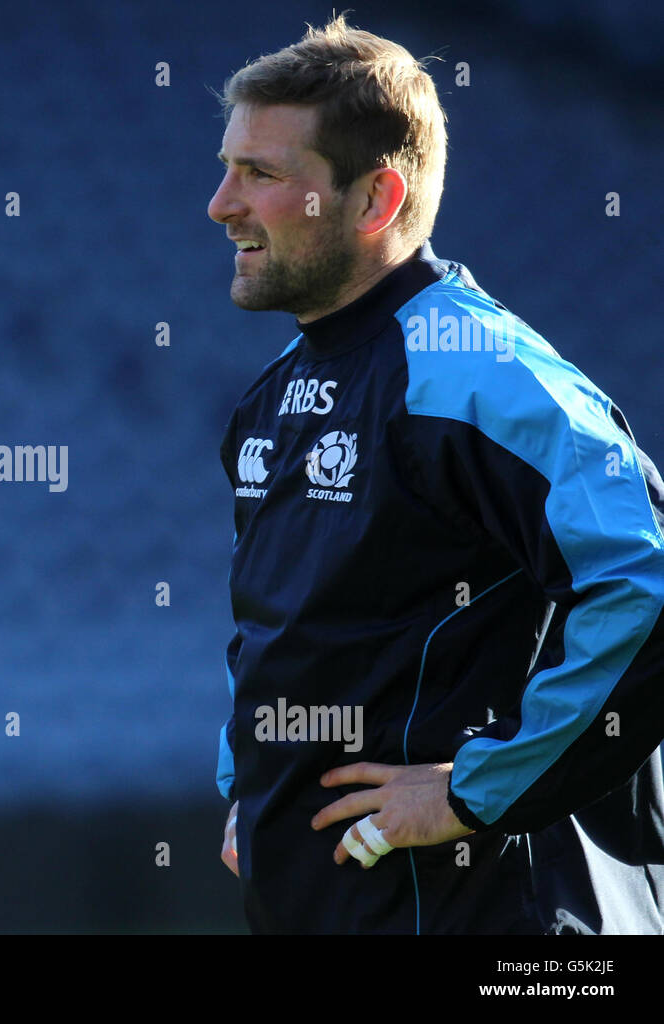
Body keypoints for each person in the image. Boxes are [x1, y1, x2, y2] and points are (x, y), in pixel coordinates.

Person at [209, 14, 664, 933]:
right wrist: (248, 787)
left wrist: (472, 790)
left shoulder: (478, 375)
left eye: (261, 175)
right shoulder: (273, 398)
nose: (221, 204)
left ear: (376, 200)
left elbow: (647, 578)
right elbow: (279, 632)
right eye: (227, 168)